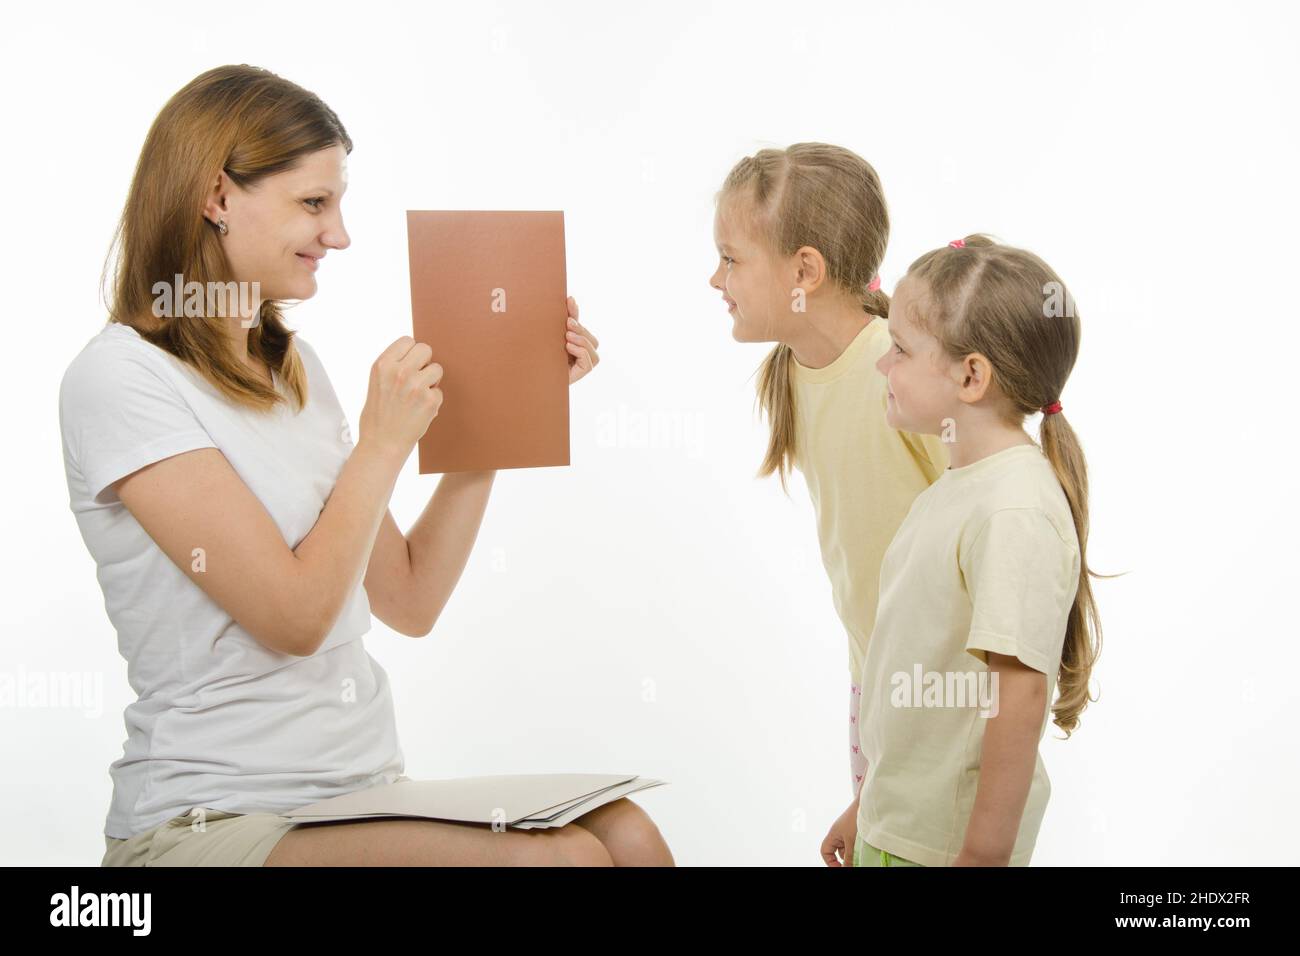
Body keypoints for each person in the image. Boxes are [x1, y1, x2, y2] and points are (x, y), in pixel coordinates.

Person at [60, 64, 672, 866]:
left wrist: (495, 408)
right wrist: (384, 443)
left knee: (625, 829)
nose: (339, 234)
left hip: (357, 793)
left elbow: (408, 597)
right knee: (556, 860)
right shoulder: (121, 378)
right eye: (313, 204)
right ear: (216, 198)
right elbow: (296, 617)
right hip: (214, 820)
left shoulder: (295, 370)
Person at [829, 235, 1103, 867]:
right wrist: (868, 804)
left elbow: (1019, 694)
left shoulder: (1012, 509)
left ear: (971, 376)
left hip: (941, 849)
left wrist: (982, 856)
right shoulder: (959, 488)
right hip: (899, 827)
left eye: (899, 349)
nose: (881, 365)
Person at [708, 144, 948, 830]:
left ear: (803, 271)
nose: (714, 279)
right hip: (875, 683)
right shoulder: (793, 369)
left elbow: (989, 518)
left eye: (731, 258)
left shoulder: (896, 373)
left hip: (947, 691)